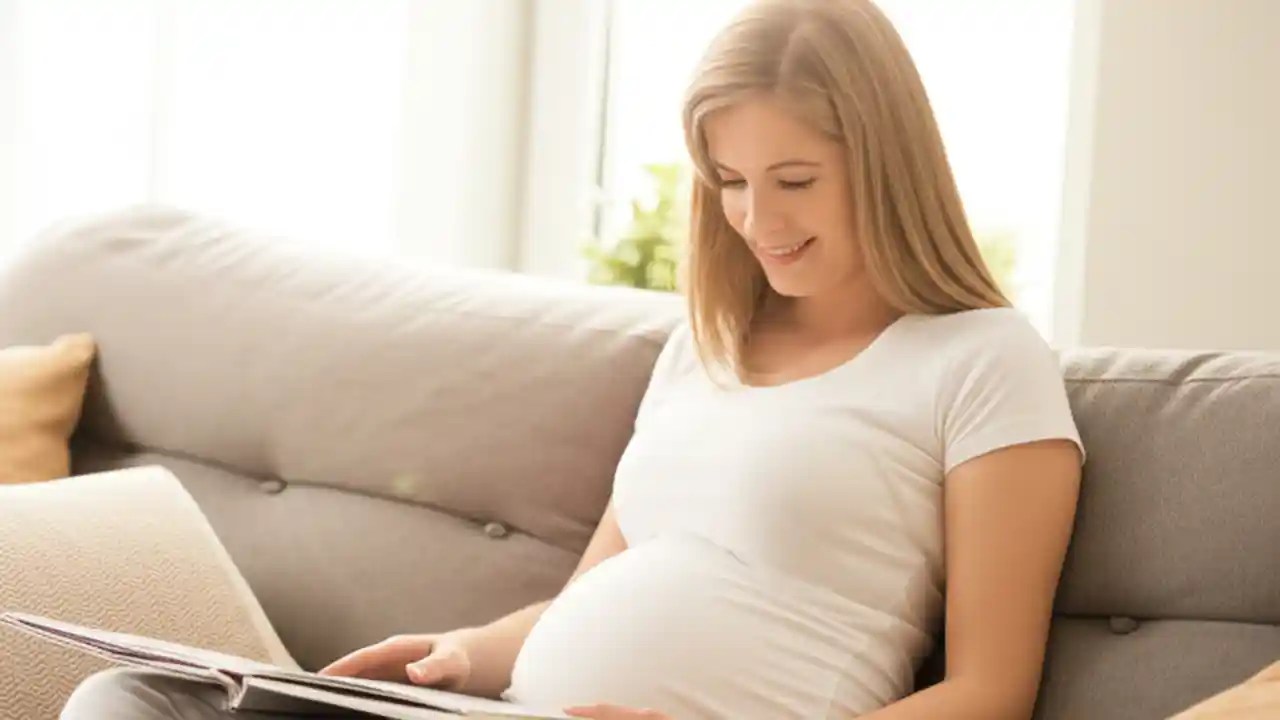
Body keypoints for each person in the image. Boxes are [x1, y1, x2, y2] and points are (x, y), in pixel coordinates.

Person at [62, 0, 1084, 718]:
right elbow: (591, 594)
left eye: (794, 180)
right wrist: (463, 655)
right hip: (511, 710)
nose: (756, 221)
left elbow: (989, 693)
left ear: (885, 161)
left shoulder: (981, 361)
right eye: (729, 182)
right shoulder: (704, 351)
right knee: (135, 699)